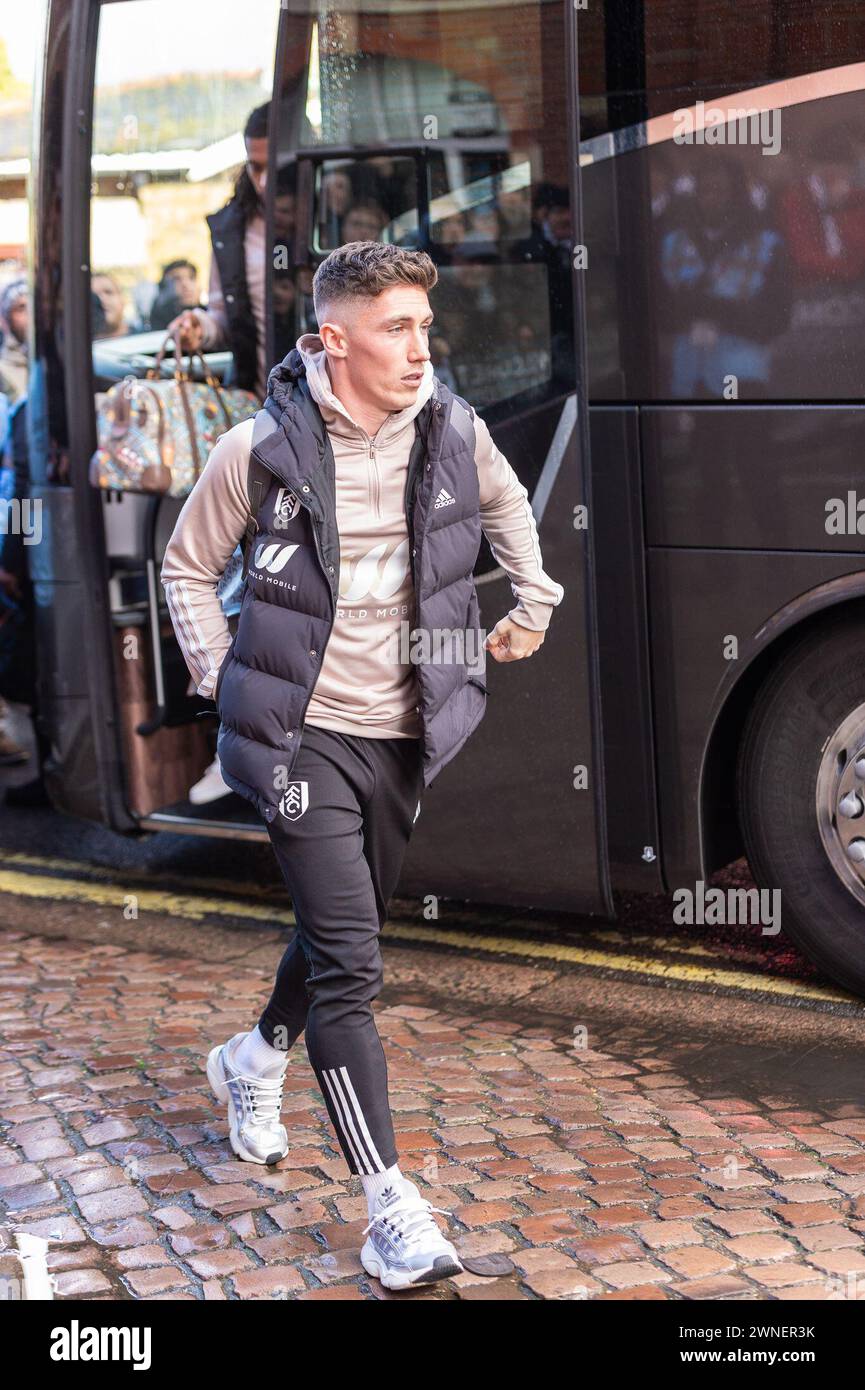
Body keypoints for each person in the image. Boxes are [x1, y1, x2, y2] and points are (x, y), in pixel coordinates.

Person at [160, 240, 564, 1290]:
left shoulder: (450, 428)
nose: (419, 347)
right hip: (301, 735)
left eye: (425, 326)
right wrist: (222, 673)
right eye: (396, 327)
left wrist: (534, 596)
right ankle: (390, 1208)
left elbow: (506, 499)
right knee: (351, 968)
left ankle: (250, 1061)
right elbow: (187, 564)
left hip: (404, 732)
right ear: (332, 339)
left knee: (342, 933)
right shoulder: (259, 448)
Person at [168, 102, 270, 397]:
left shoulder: (335, 221)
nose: (263, 182)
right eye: (256, 167)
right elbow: (224, 317)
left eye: (272, 167)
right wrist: (198, 328)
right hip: (262, 403)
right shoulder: (233, 230)